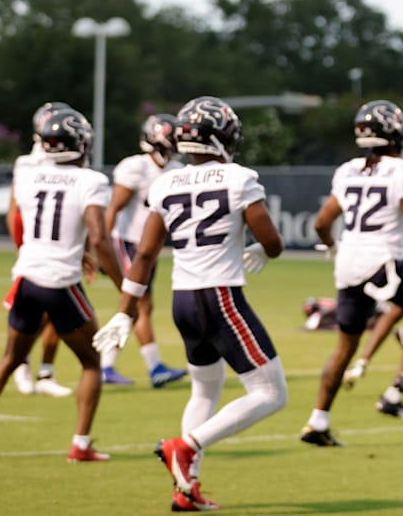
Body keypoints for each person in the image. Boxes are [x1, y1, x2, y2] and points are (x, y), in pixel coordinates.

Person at [92, 96, 287, 512]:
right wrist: (263, 249)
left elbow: (145, 254)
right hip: (220, 297)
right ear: (221, 138)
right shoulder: (239, 177)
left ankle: (185, 489)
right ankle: (186, 446)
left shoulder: (166, 183)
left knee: (204, 391)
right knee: (271, 393)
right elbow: (271, 240)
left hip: (183, 300)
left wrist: (125, 311)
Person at [0, 108, 116, 461]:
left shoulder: (28, 176)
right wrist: (125, 284)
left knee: (11, 358)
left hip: (27, 276)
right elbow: (100, 237)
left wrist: (71, 251)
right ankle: (81, 445)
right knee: (92, 361)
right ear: (81, 143)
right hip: (60, 283)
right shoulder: (91, 181)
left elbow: (26, 222)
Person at [299, 100, 403, 442]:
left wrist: (330, 246)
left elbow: (322, 223)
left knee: (345, 347)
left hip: (348, 266)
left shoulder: (347, 170)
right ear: (397, 134)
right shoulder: (402, 170)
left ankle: (318, 421)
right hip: (383, 263)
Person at [99, 113, 189, 388]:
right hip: (128, 242)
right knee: (137, 304)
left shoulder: (175, 170)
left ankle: (107, 366)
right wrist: (102, 249)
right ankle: (154, 367)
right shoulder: (136, 167)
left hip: (150, 245)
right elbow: (114, 208)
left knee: (137, 306)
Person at [4, 101, 76, 398]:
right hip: (36, 248)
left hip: (61, 248)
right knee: (31, 315)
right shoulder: (28, 164)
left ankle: (46, 372)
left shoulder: (70, 162)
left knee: (56, 314)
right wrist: (22, 245)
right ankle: (21, 363)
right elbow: (14, 211)